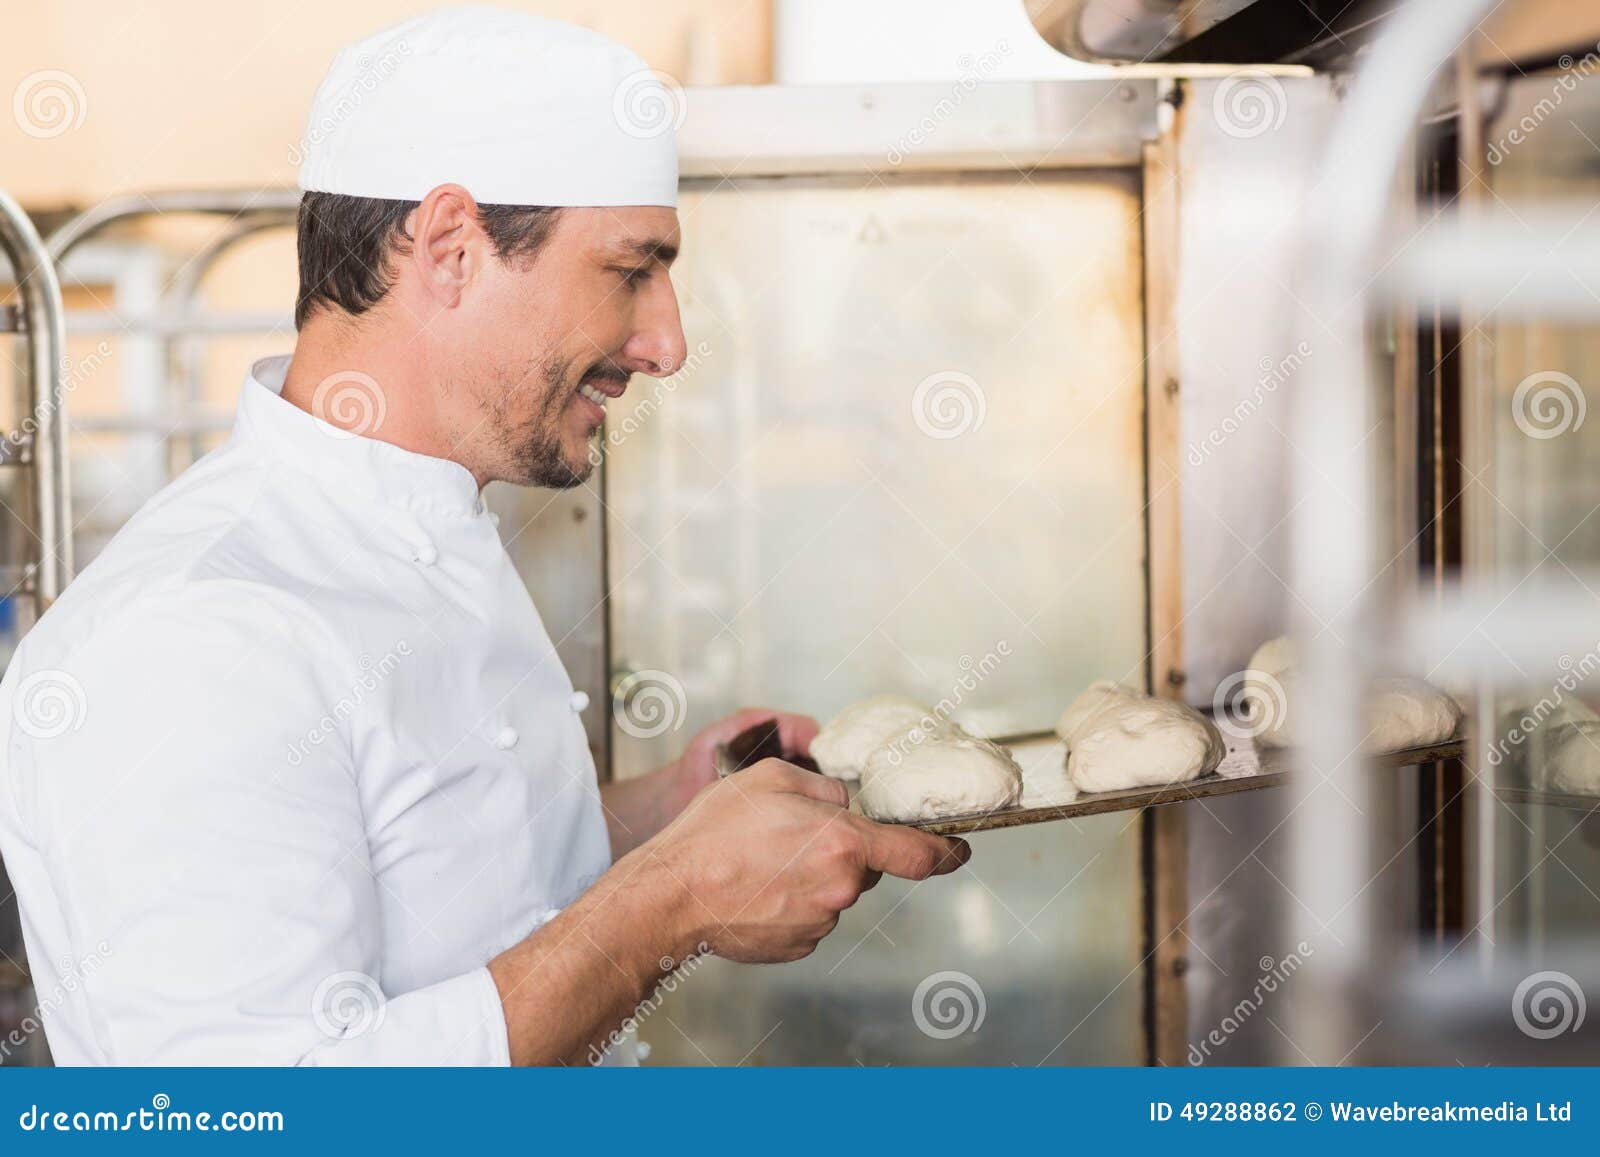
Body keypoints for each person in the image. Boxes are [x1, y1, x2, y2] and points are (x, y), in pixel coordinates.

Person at [0, 8, 968, 1065]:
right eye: (630, 269)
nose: (668, 342)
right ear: (453, 247)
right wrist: (669, 900)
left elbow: (433, 873)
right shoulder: (194, 634)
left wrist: (663, 815)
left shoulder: (430, 516)